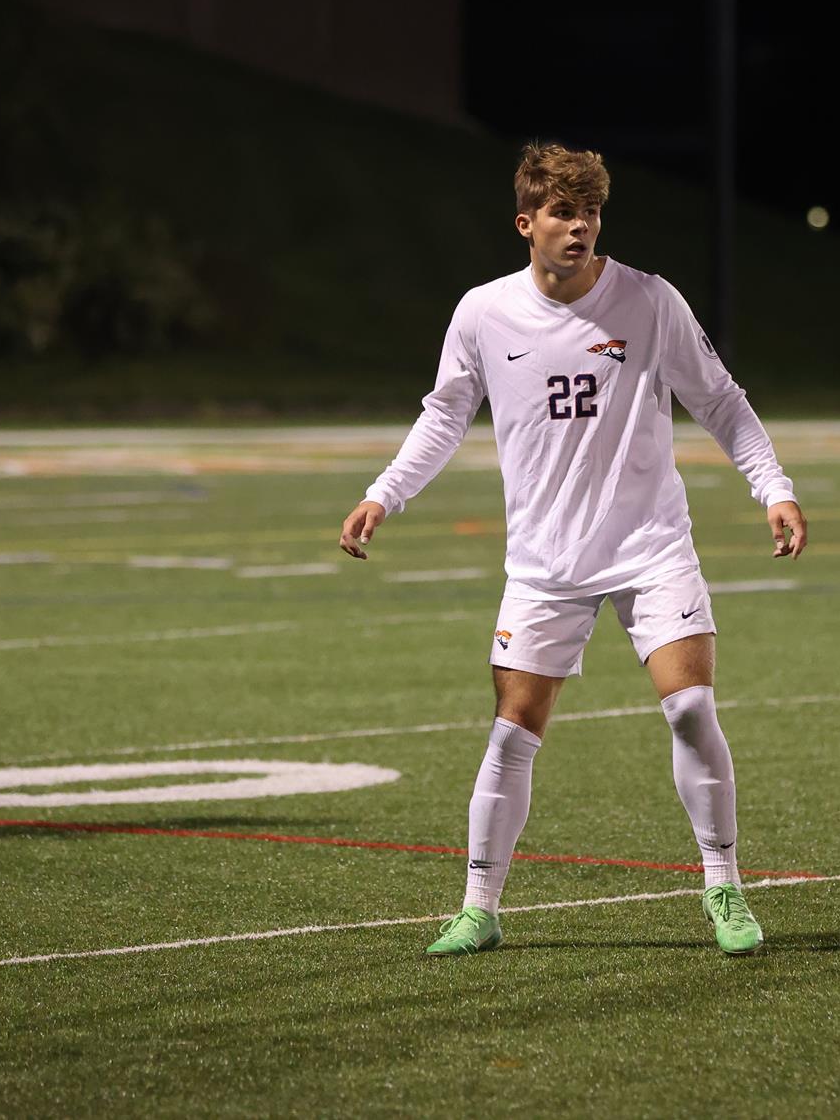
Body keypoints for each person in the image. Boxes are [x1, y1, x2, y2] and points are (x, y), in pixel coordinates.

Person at [340, 142, 807, 956]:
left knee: (690, 707)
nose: (580, 226)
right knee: (512, 733)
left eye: (590, 211)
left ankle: (724, 885)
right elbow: (445, 415)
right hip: (545, 563)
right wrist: (386, 491)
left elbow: (721, 401)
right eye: (563, 212)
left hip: (650, 547)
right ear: (526, 222)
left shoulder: (650, 301)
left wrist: (774, 487)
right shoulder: (484, 312)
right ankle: (479, 908)